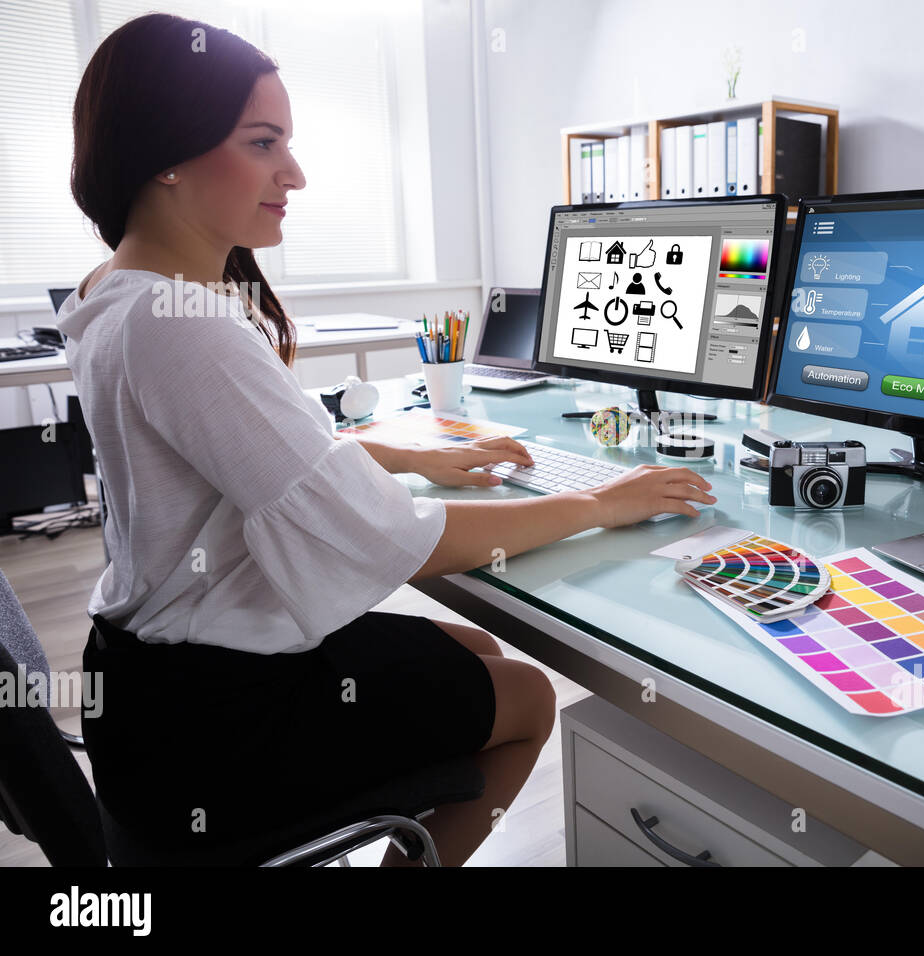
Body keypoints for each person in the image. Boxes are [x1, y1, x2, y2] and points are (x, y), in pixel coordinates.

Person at [57, 13, 714, 867]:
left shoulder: (117, 290)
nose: (293, 172)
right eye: (263, 144)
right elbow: (392, 540)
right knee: (524, 695)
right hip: (210, 723)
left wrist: (405, 457)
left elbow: (238, 464)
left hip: (143, 684)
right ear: (167, 154)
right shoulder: (181, 323)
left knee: (475, 648)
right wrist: (597, 501)